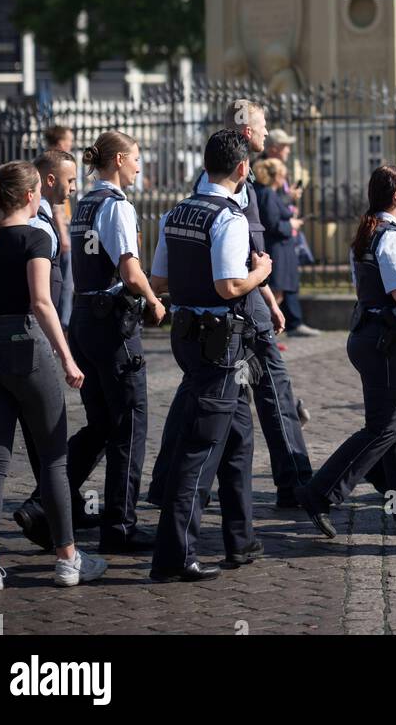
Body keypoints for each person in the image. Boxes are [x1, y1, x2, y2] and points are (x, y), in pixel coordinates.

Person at [148, 100, 312, 509]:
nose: (267, 132)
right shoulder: (238, 190)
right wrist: (262, 294)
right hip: (237, 307)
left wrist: (268, 297)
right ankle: (295, 484)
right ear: (243, 135)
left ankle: (172, 486)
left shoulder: (212, 183)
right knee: (272, 389)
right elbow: (243, 261)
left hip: (229, 306)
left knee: (207, 399)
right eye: (262, 125)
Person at [0, 161, 107, 595]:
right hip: (25, 345)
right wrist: (68, 359)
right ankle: (67, 559)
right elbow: (42, 303)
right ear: (29, 196)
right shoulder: (36, 236)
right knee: (54, 460)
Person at [295, 164, 396, 539]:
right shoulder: (390, 237)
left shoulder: (369, 231)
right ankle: (320, 494)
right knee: (384, 429)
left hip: (372, 336)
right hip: (383, 343)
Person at [149, 131, 270, 582]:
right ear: (241, 169)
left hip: (188, 336)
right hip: (222, 344)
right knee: (200, 451)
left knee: (238, 439)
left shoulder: (177, 211)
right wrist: (259, 272)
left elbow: (158, 279)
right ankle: (174, 556)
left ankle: (240, 541)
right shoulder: (230, 217)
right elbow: (229, 287)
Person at [39, 130, 165, 555]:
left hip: (84, 322)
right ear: (117, 160)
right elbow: (130, 272)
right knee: (130, 426)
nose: (138, 167)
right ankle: (120, 526)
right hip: (113, 326)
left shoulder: (85, 203)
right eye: (134, 159)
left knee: (100, 425)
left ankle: (43, 503)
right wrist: (152, 300)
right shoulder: (115, 206)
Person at [258, 128, 319, 336]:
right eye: (285, 146)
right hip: (277, 241)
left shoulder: (277, 173)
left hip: (285, 240)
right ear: (275, 148)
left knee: (282, 288)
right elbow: (270, 211)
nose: (288, 150)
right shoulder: (265, 178)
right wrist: (289, 203)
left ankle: (278, 328)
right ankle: (269, 331)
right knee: (276, 291)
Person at [254, 157, 302, 326]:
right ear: (276, 177)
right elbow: (272, 224)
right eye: (283, 176)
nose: (284, 180)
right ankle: (265, 332)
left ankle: (267, 333)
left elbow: (278, 208)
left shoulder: (269, 193)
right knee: (275, 294)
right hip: (277, 249)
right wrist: (291, 225)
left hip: (281, 249)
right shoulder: (267, 193)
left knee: (277, 294)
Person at [43, 126, 75, 328]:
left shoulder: (49, 161)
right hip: (59, 227)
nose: (71, 143)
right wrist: (63, 234)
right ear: (60, 142)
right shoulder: (57, 163)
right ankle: (63, 324)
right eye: (69, 140)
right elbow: (56, 202)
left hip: (60, 225)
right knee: (65, 280)